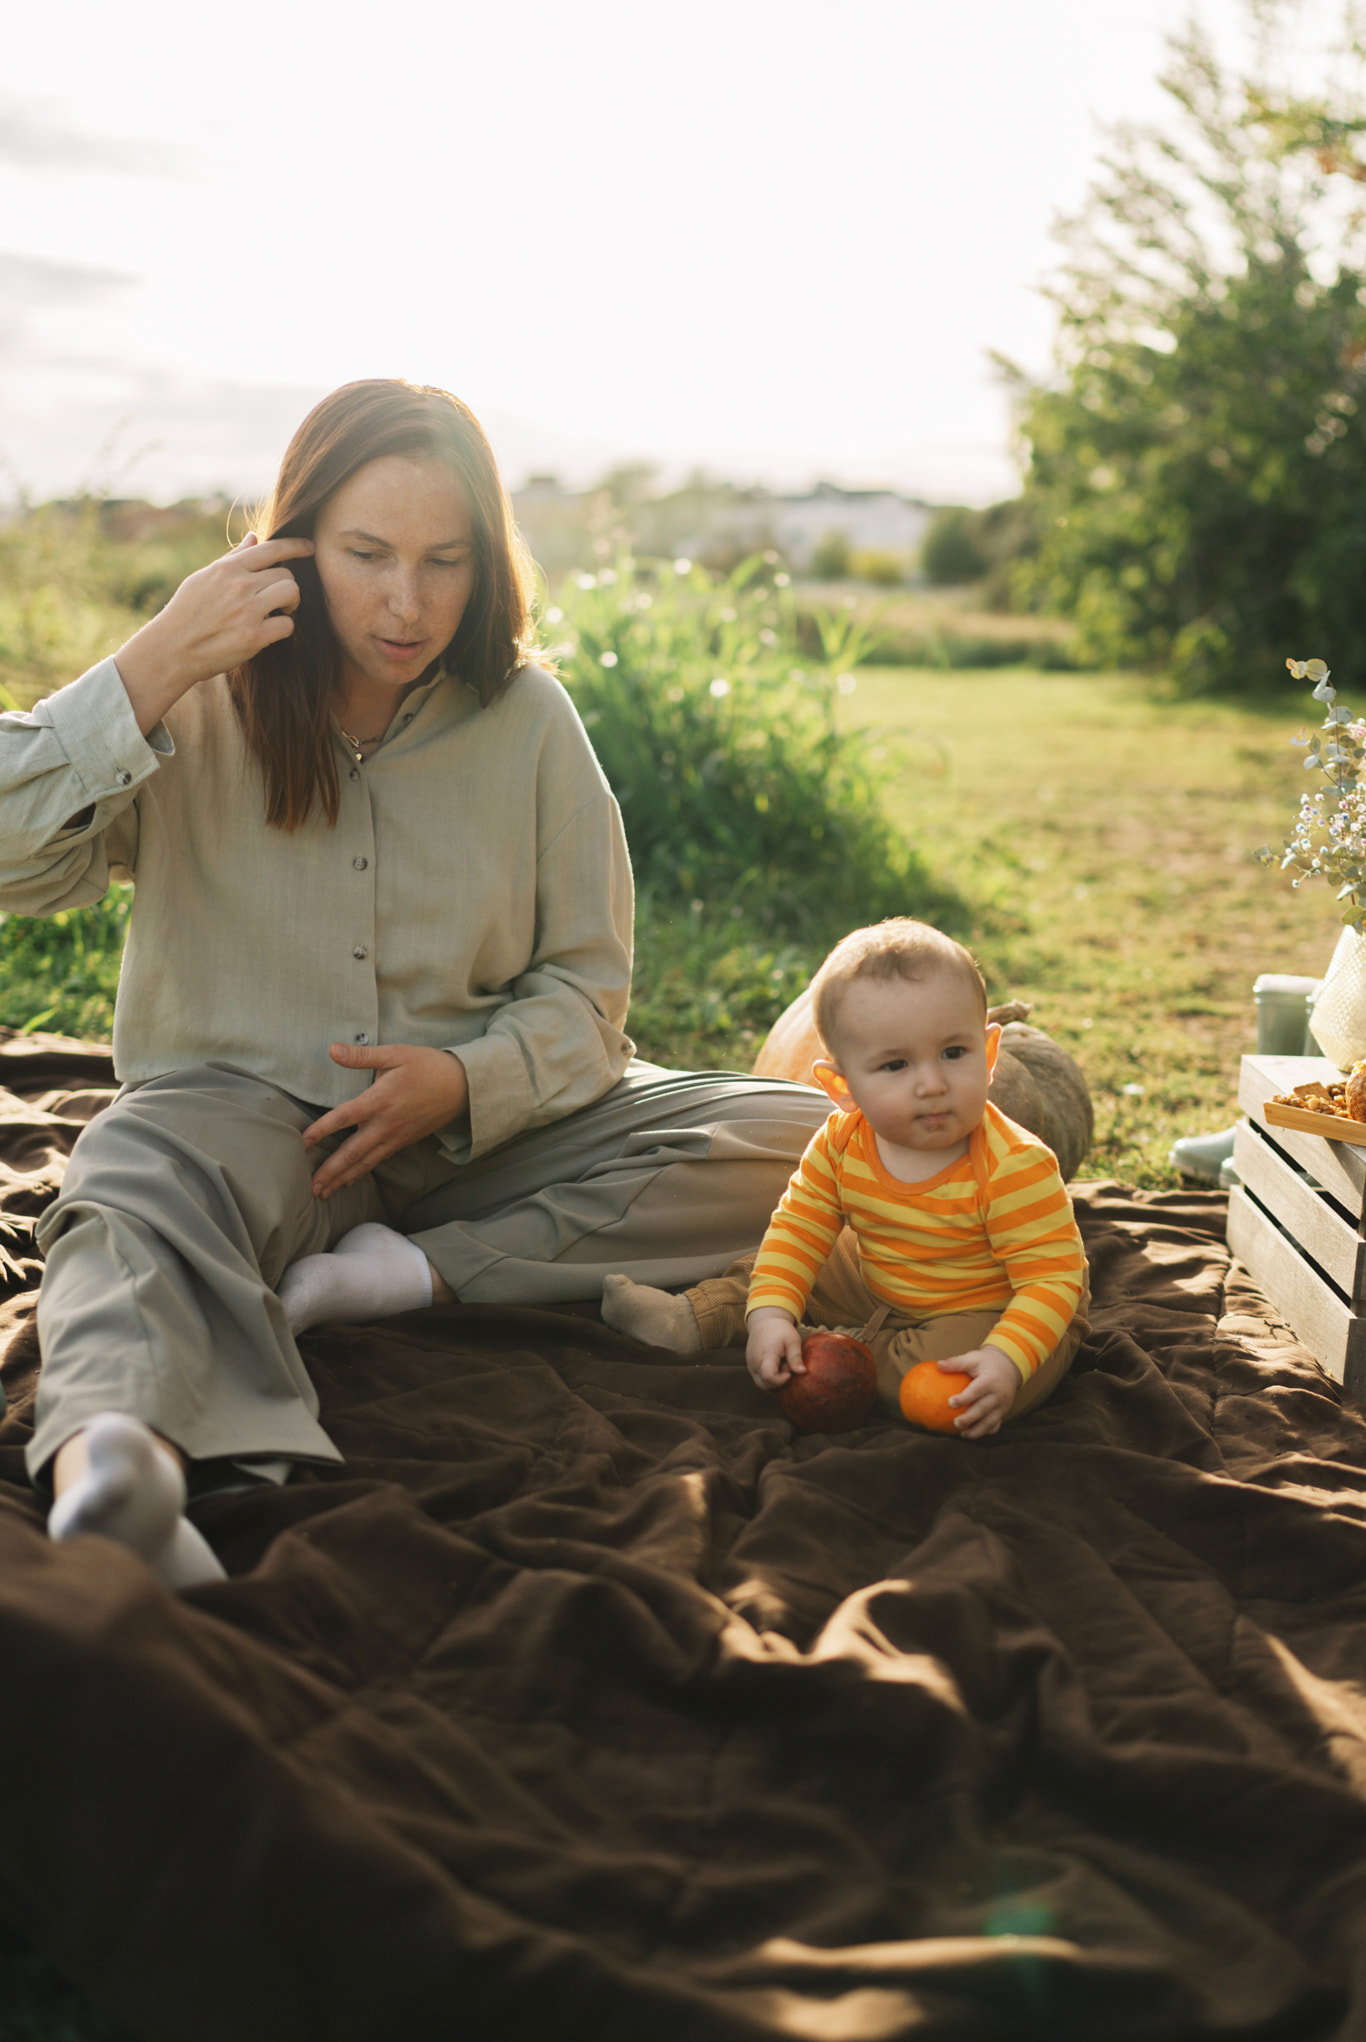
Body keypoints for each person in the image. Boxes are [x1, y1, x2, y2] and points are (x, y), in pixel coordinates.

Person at [7, 379, 829, 1588]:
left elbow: (587, 995)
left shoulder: (532, 720)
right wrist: (157, 655)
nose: (409, 601)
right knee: (127, 1185)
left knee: (804, 1132)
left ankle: (407, 1274)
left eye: (445, 559)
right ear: (288, 546)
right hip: (239, 1127)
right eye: (368, 554)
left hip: (483, 1142)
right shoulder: (194, 698)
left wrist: (464, 1078)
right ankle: (117, 1463)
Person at [603, 919, 1090, 1437]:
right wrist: (772, 1312)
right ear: (843, 1087)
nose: (931, 1084)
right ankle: (701, 1317)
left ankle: (832, 1347)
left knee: (949, 1390)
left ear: (989, 1055)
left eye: (953, 1053)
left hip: (999, 1305)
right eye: (896, 1065)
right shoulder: (841, 1143)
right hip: (879, 1274)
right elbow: (798, 1228)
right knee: (785, 1267)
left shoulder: (1014, 1164)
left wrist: (1006, 1359)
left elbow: (1050, 1279)